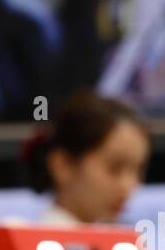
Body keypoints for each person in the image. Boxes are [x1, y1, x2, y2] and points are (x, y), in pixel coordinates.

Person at [23, 90, 150, 225]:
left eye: (138, 170)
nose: (128, 186)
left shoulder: (128, 242)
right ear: (63, 165)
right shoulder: (23, 241)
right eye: (114, 168)